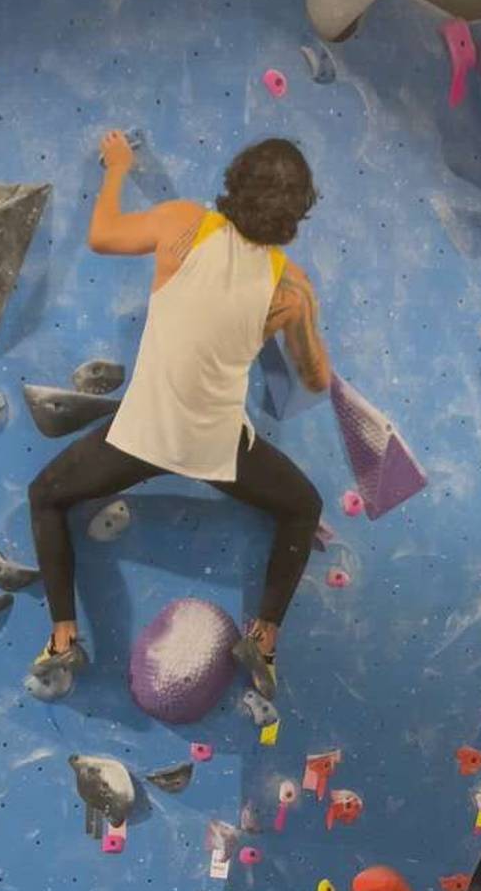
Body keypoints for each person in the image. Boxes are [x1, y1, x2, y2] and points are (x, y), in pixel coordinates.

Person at [28, 131, 331, 699]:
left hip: (141, 436)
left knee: (46, 495)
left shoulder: (181, 224)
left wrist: (118, 166)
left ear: (234, 182)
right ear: (296, 214)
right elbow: (315, 379)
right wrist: (295, 322)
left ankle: (63, 640)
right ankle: (263, 640)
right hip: (217, 448)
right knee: (304, 507)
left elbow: (102, 235)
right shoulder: (291, 285)